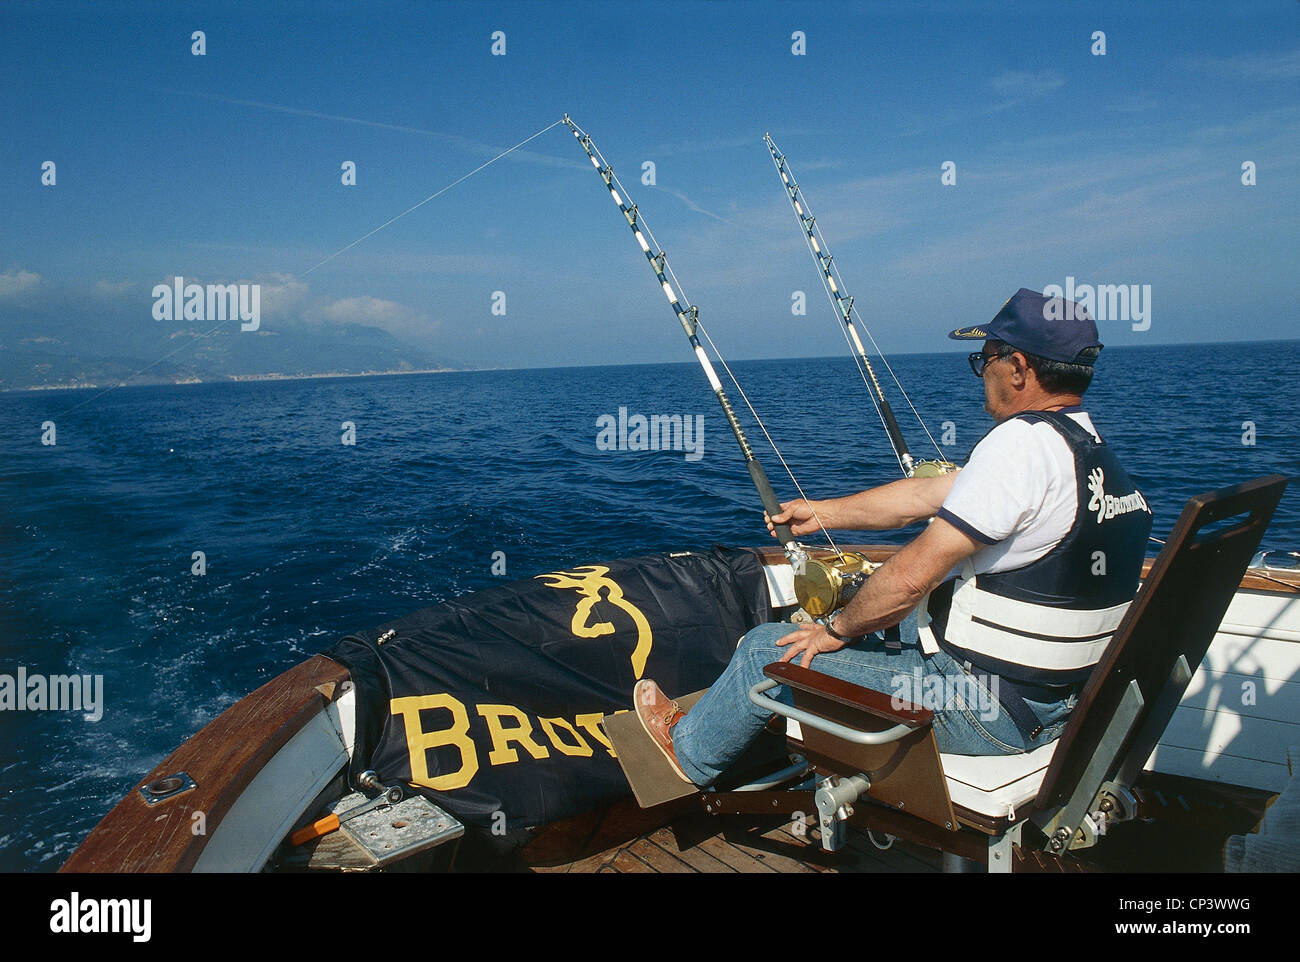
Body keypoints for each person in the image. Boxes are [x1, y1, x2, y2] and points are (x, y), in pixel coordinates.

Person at [635, 288, 1153, 786]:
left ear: (1018, 367)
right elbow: (924, 498)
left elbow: (908, 579)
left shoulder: (1018, 445)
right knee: (872, 620)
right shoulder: (1086, 450)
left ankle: (691, 752)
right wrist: (822, 514)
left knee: (765, 649)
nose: (982, 372)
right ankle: (765, 718)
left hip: (985, 711)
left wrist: (834, 633)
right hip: (1059, 702)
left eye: (986, 358)